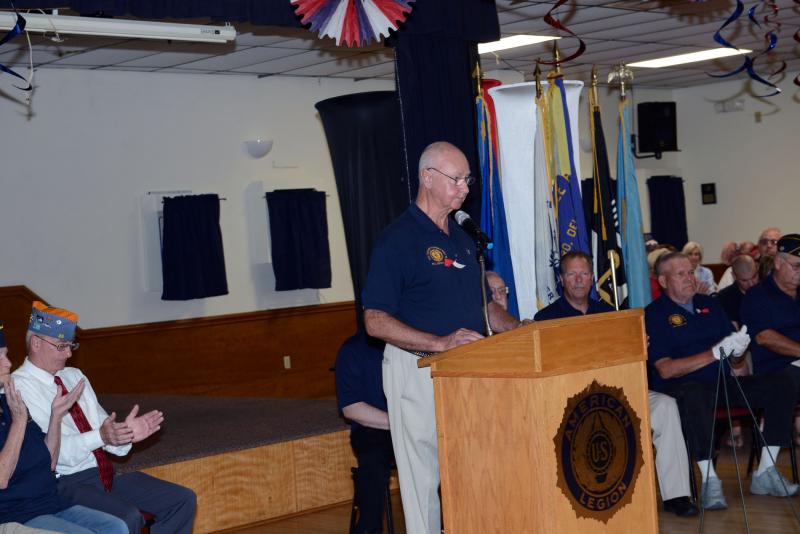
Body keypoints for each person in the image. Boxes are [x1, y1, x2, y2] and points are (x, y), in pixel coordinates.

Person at [362, 141, 523, 534]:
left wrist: (523, 332)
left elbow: (482, 307)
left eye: (468, 179)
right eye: (456, 179)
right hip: (416, 366)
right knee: (423, 477)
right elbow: (375, 321)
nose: (465, 188)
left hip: (466, 368)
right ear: (427, 178)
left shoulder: (463, 236)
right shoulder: (396, 240)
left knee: (474, 466)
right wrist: (439, 343)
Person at [534, 252, 697, 517]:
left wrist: (637, 348)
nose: (578, 280)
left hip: (616, 391)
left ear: (592, 279)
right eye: (572, 274)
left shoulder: (612, 315)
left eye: (584, 274)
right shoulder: (546, 319)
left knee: (665, 405)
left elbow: (633, 364)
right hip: (570, 400)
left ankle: (677, 495)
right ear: (561, 279)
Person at [12, 303, 196, 534]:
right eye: (61, 346)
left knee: (181, 500)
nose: (69, 354)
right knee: (127, 517)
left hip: (103, 472)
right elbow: (58, 455)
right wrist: (102, 436)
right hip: (64, 481)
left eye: (71, 346)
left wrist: (122, 435)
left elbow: (102, 427)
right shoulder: (18, 388)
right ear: (36, 343)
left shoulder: (73, 375)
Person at [646, 252, 798, 510]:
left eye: (690, 272)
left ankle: (767, 470)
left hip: (721, 384)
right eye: (680, 274)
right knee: (696, 393)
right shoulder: (653, 314)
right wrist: (713, 354)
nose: (689, 278)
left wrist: (737, 353)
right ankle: (709, 480)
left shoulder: (709, 305)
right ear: (662, 280)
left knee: (780, 383)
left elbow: (733, 360)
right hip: (681, 389)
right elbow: (666, 370)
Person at [0, 322, 127, 534]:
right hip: (14, 513)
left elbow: (48, 462)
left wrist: (56, 418)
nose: (8, 363)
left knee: (116, 527)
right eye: (0, 357)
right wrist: (19, 422)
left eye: (6, 354)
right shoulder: (18, 400)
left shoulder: (8, 401)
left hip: (48, 502)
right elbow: (2, 479)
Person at [335, 331, 393, 534]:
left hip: (420, 423)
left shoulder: (418, 341)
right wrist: (401, 424)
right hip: (375, 427)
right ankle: (369, 528)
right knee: (373, 458)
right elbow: (351, 408)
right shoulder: (352, 350)